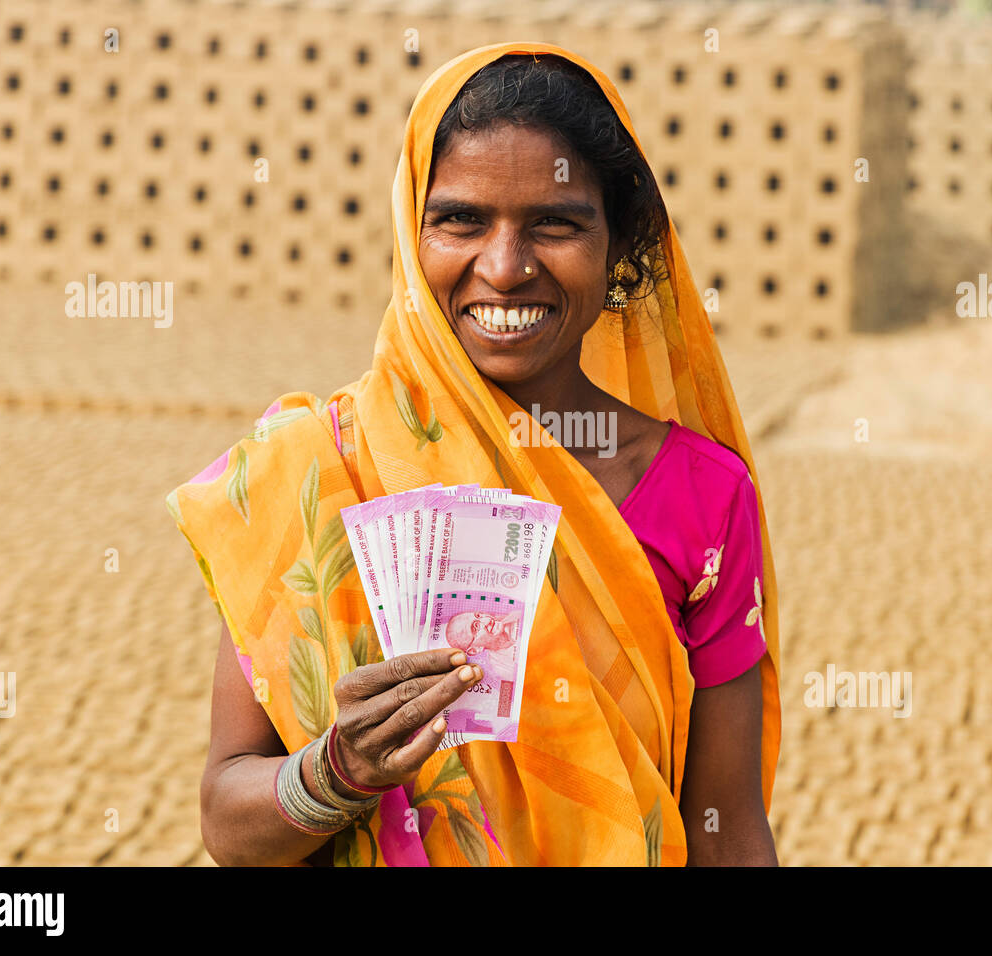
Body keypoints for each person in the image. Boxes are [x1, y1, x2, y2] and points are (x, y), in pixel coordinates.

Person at [166, 41, 781, 866]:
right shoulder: (317, 471)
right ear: (409, 237)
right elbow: (227, 825)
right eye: (461, 219)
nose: (504, 267)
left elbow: (726, 829)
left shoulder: (703, 497)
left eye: (555, 224)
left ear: (619, 244)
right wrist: (340, 769)